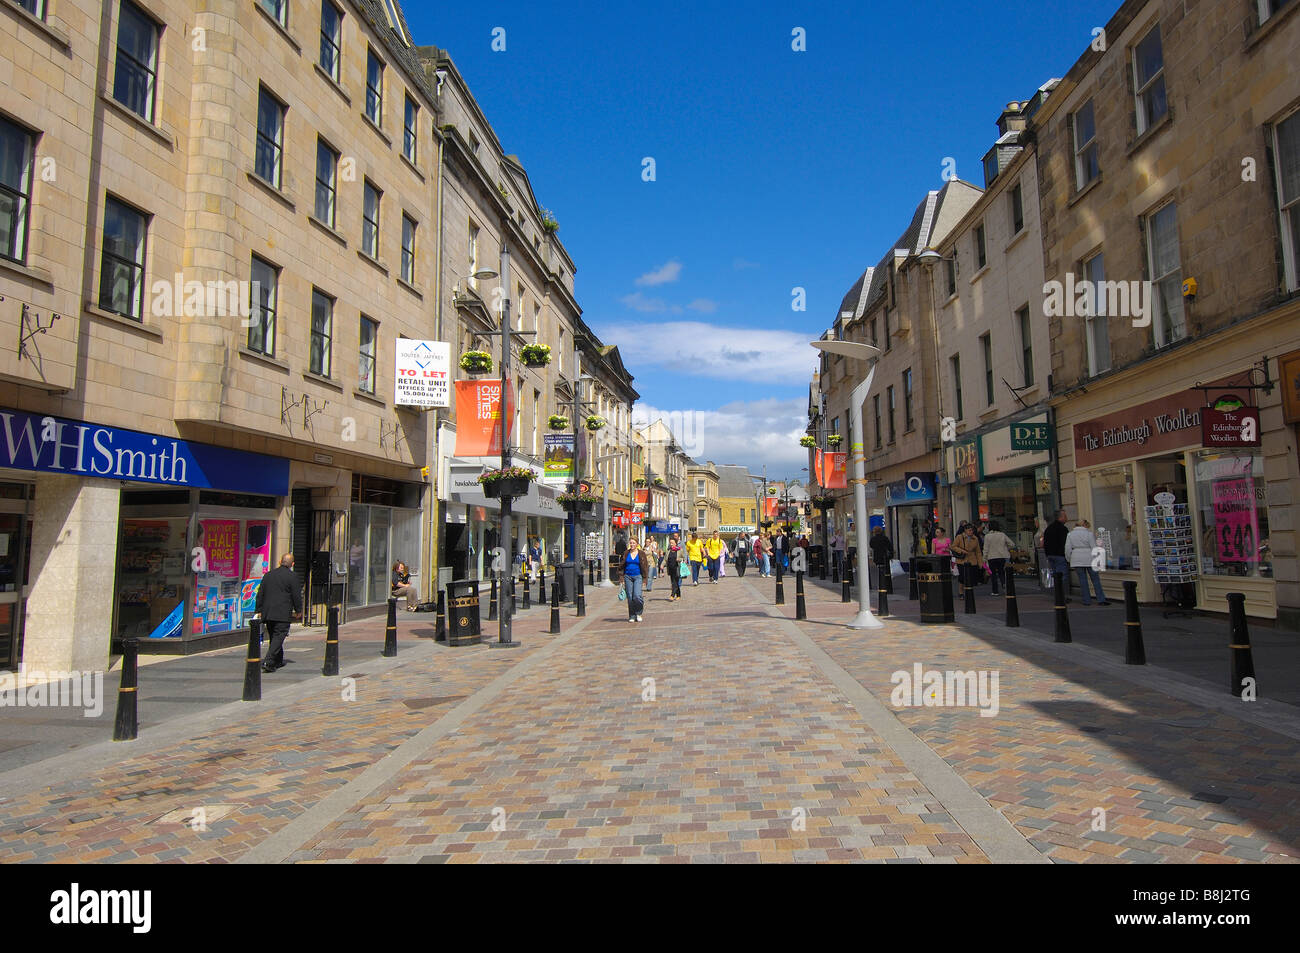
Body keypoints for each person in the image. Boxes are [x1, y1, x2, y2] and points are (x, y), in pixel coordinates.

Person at [255, 554, 302, 673]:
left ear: (280, 561)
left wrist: (259, 610)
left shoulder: (268, 575)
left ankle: (278, 660)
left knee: (274, 637)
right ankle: (269, 661)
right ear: (292, 564)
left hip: (269, 612)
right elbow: (296, 595)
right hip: (282, 613)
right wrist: (299, 610)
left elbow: (260, 593)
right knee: (279, 636)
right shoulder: (293, 577)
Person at [1066, 518, 1111, 605]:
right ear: (1085, 525)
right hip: (1089, 558)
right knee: (1095, 580)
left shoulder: (1070, 534)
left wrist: (1069, 559)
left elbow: (1067, 549)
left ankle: (1086, 600)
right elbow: (1094, 547)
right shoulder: (1089, 534)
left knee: (1082, 580)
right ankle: (1101, 599)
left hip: (1077, 558)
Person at [1039, 509, 1071, 598]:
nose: (1067, 518)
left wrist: (1047, 553)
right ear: (1061, 517)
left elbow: (1044, 543)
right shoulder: (1063, 529)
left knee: (1055, 576)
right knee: (1062, 577)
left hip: (1050, 555)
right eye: (1065, 516)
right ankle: (1062, 596)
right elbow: (1066, 543)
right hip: (1059, 555)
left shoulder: (1048, 528)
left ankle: (1058, 595)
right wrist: (1067, 555)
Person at [949, 524, 984, 595]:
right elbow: (953, 546)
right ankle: (961, 591)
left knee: (971, 577)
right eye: (969, 530)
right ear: (965, 530)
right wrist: (961, 551)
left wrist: (980, 563)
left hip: (972, 560)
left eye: (972, 530)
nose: (971, 532)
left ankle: (969, 591)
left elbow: (978, 552)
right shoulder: (959, 537)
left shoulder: (975, 538)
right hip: (962, 560)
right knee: (962, 577)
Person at [622, 537, 650, 622]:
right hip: (628, 576)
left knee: (637, 596)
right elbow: (622, 566)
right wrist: (621, 578)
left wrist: (645, 579)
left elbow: (645, 567)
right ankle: (632, 615)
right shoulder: (626, 553)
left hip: (638, 576)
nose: (632, 544)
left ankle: (638, 613)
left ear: (637, 544)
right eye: (630, 543)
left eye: (633, 543)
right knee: (630, 597)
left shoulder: (641, 553)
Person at [982, 521, 1013, 596]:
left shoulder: (987, 536)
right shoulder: (1002, 535)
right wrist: (1005, 548)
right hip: (1002, 556)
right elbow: (1012, 544)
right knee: (1001, 573)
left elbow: (985, 549)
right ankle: (1004, 585)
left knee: (993, 575)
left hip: (991, 557)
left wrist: (984, 559)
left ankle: (995, 591)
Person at [869, 526, 894, 594]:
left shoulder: (873, 539)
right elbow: (890, 546)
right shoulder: (884, 538)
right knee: (885, 570)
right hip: (884, 556)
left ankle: (881, 584)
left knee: (880, 570)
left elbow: (871, 545)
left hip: (877, 557)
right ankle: (885, 584)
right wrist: (891, 555)